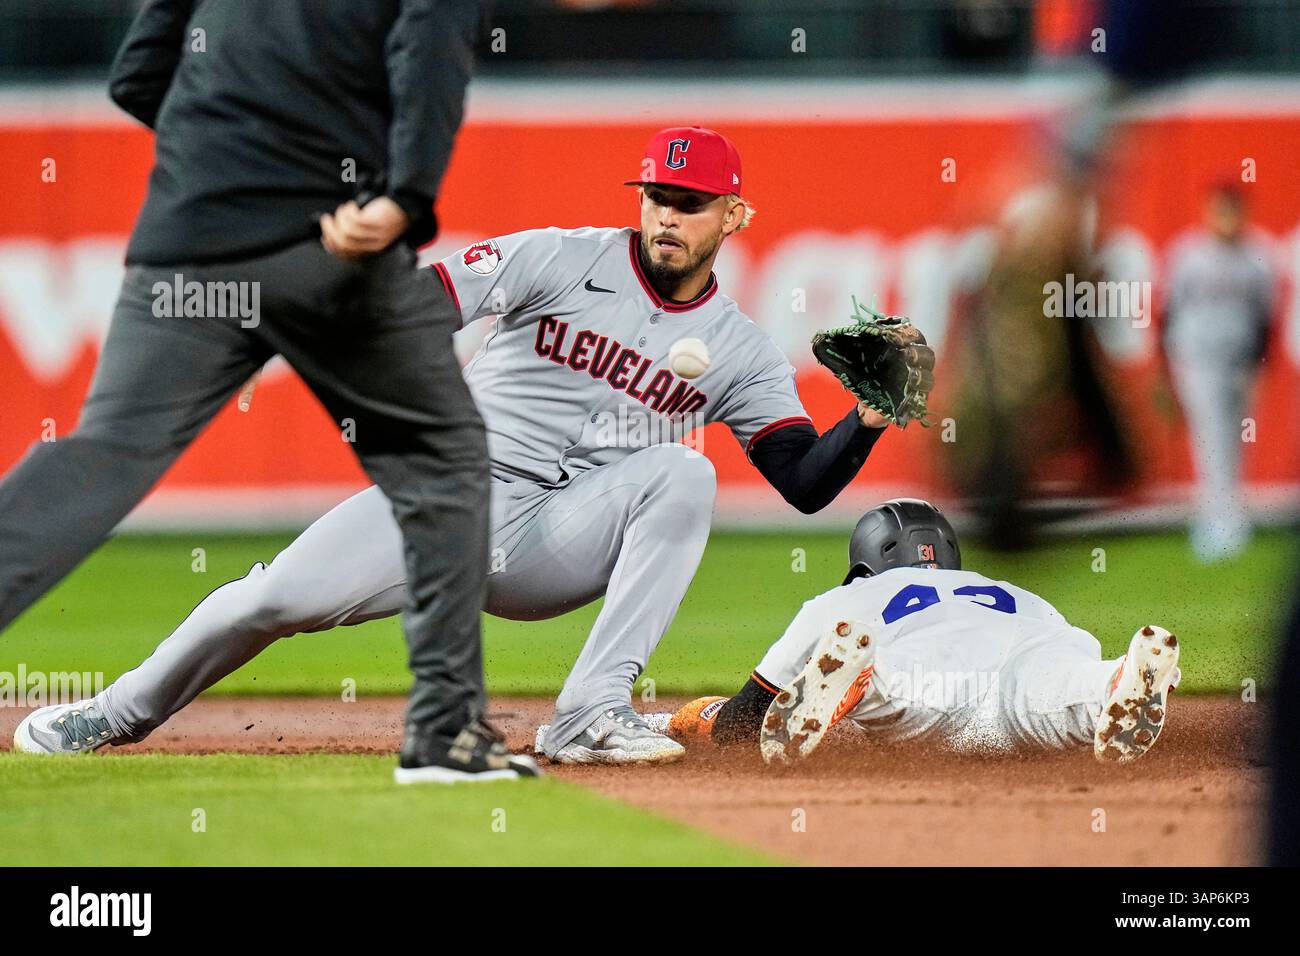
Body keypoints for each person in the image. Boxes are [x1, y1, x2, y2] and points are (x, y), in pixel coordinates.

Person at [15, 127, 911, 767]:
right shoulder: (561, 256)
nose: (666, 214)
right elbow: (428, 300)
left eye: (689, 202)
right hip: (450, 495)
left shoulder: (742, 348)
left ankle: (589, 713)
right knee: (272, 599)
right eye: (655, 195)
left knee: (683, 472)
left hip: (557, 539)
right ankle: (114, 714)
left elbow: (798, 481)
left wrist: (866, 418)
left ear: (733, 215)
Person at [0, 0, 543, 783]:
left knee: (99, 456)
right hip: (327, 245)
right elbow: (431, 52)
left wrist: (222, 173)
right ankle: (443, 736)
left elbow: (137, 76)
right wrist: (404, 197)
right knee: (444, 464)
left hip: (185, 244)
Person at [658, 499, 1181, 764]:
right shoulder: (1010, 590)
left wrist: (690, 717)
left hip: (932, 680)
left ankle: (862, 681)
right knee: (1062, 692)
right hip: (1034, 652)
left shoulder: (850, 599)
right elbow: (1068, 640)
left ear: (868, 558)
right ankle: (1116, 681)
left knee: (899, 687)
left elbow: (742, 722)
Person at [1163, 183, 1277, 562]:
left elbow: (1265, 320)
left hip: (1239, 361)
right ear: (1209, 211)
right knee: (1210, 440)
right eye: (1219, 210)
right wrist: (1164, 372)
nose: (1226, 218)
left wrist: (1259, 368)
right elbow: (1167, 315)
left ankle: (1230, 519)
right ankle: (1215, 522)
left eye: (1232, 210)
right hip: (1198, 359)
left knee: (1236, 443)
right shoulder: (1189, 254)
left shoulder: (1258, 253)